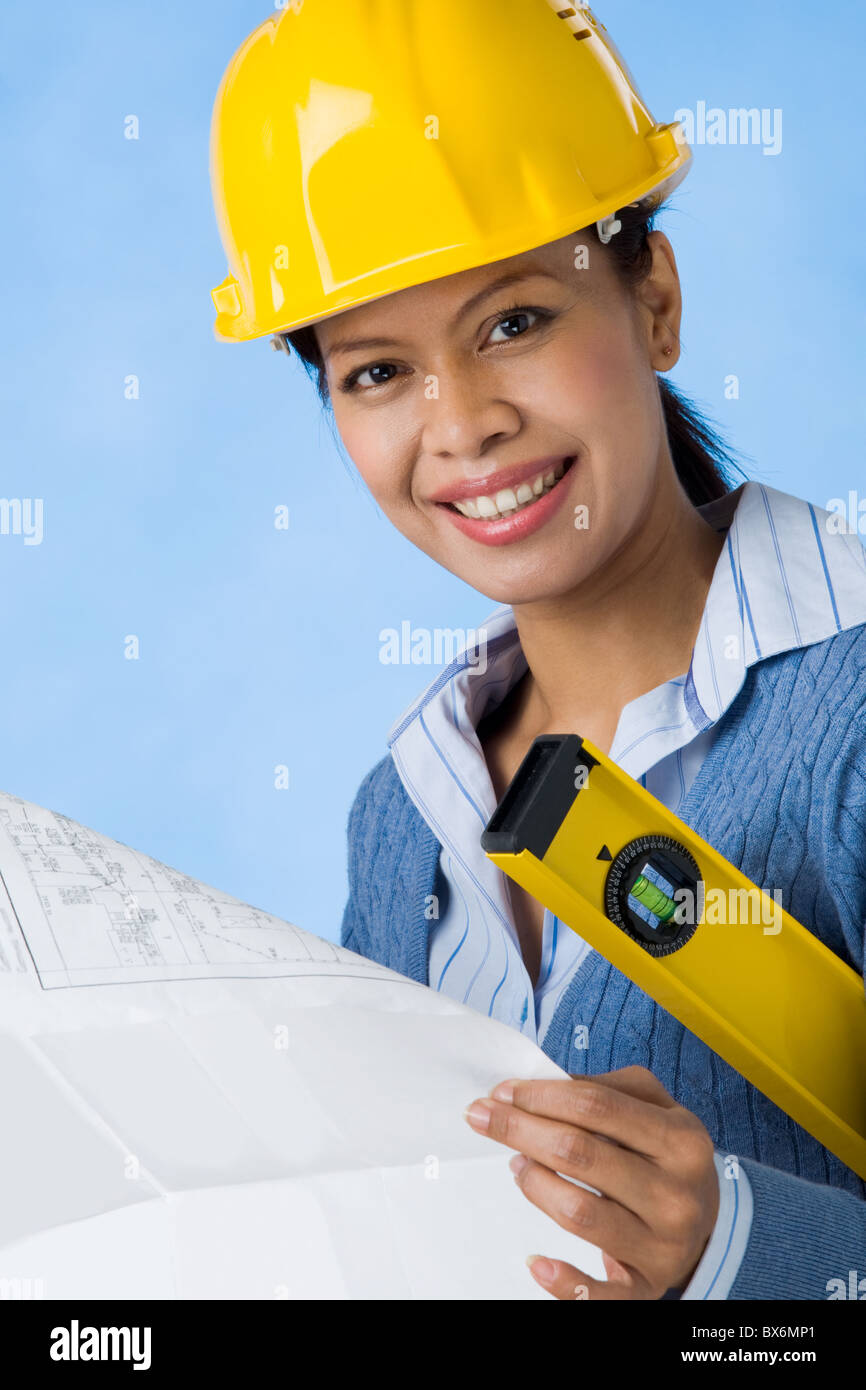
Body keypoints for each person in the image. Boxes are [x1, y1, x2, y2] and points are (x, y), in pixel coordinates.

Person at [209, 0, 866, 1300]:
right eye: (377, 371)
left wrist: (742, 1250)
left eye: (513, 322)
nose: (463, 423)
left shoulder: (845, 709)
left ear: (654, 303)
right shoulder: (401, 819)